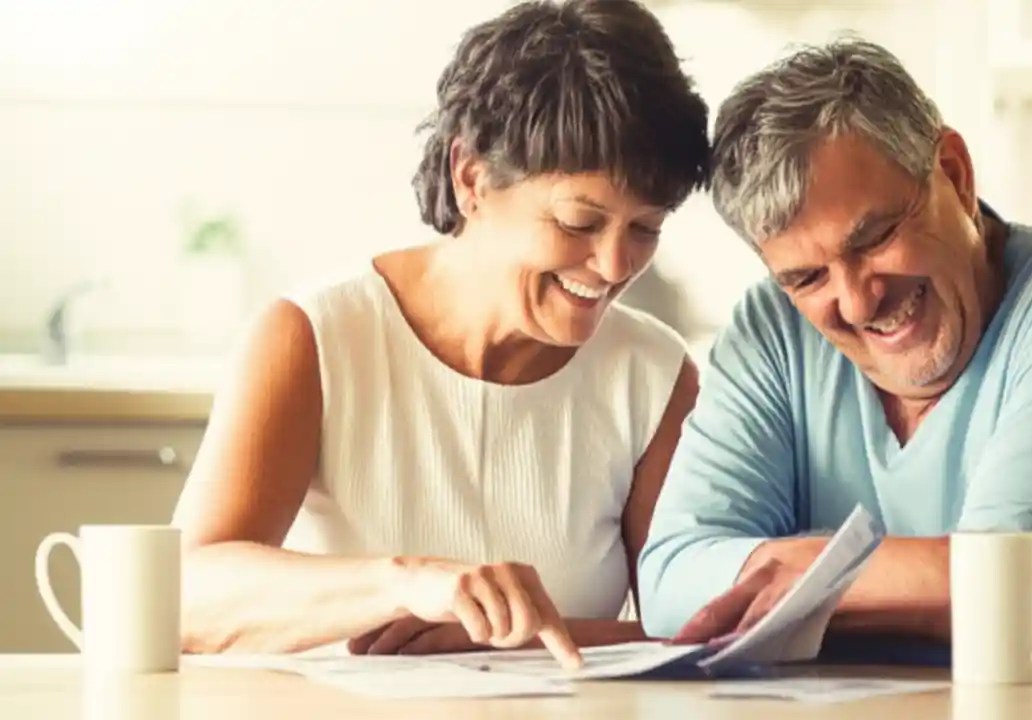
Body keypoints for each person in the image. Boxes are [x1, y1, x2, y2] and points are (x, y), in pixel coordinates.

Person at [637, 37, 1032, 663]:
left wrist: (793, 577)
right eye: (808, 278)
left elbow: (996, 590)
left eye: (875, 237)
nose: (856, 302)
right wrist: (936, 588)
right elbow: (669, 587)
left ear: (955, 175)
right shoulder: (772, 332)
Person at [172, 0, 708, 668]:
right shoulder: (316, 340)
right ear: (472, 177)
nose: (615, 265)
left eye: (645, 228)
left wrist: (501, 637)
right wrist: (407, 583)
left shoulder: (653, 374)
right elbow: (184, 595)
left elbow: (696, 629)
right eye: (579, 222)